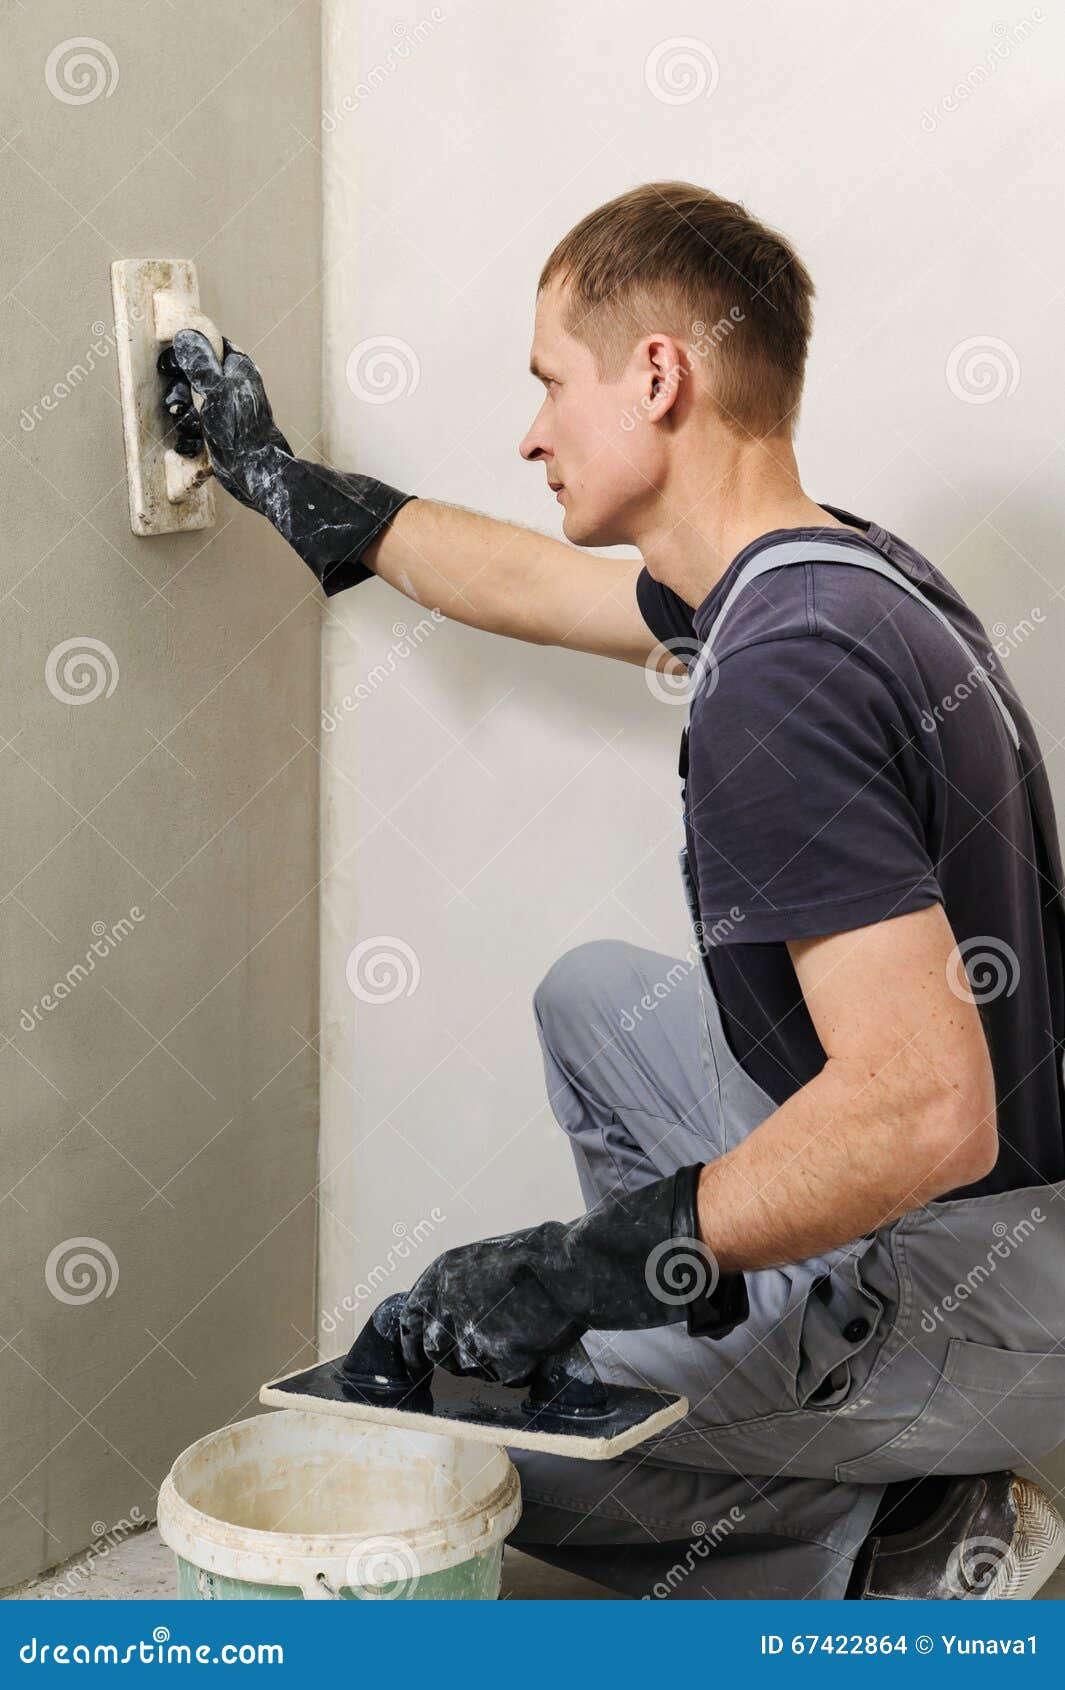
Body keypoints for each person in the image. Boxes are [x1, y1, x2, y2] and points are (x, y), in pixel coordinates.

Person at [167, 180, 1065, 1601]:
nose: (527, 432)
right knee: (594, 993)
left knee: (457, 1428)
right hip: (1014, 1224)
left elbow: (922, 1111)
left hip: (977, 1288)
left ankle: (899, 1537)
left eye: (546, 384)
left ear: (657, 374)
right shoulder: (836, 576)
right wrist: (296, 486)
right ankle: (770, 1371)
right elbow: (535, 583)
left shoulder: (786, 666)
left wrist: (584, 1267)